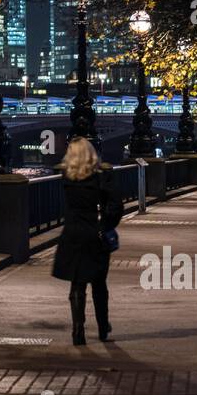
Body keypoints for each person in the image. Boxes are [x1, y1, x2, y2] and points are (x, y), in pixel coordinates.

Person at [51, 137, 121, 346]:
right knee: (99, 283)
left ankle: (78, 331)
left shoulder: (67, 176)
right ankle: (102, 328)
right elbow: (115, 206)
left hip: (72, 232)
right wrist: (106, 225)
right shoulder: (103, 175)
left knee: (77, 283)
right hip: (95, 233)